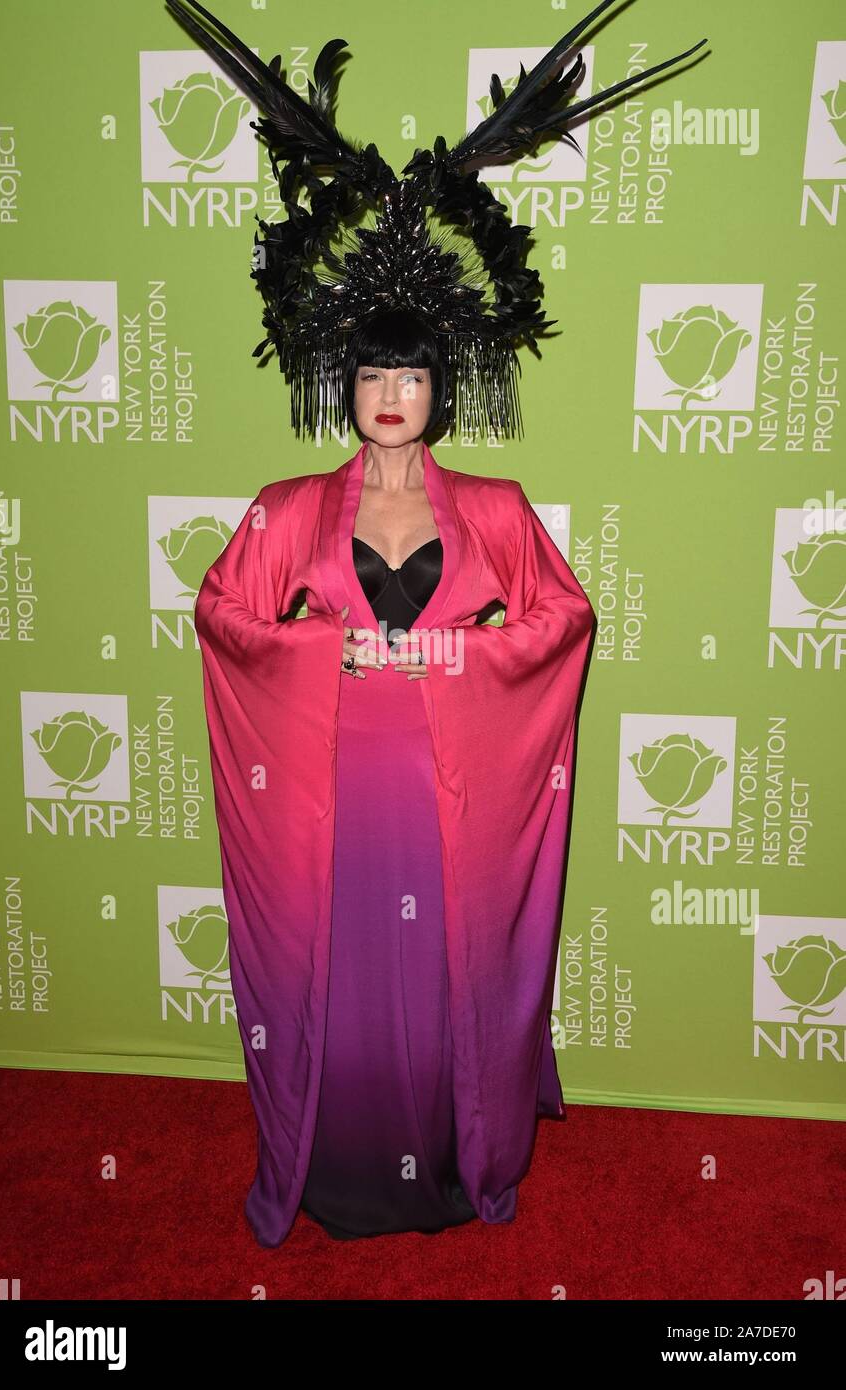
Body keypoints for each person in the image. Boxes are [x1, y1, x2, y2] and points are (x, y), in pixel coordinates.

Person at [168, 0, 707, 1246]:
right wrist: (331, 651)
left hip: (452, 788)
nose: (392, 396)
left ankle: (458, 1164)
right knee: (342, 987)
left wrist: (458, 655)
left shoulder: (500, 508)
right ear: (338, 384)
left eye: (412, 376)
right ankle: (341, 1169)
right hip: (332, 786)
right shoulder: (286, 507)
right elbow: (224, 617)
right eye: (372, 375)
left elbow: (563, 621)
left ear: (444, 387)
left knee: (448, 979)